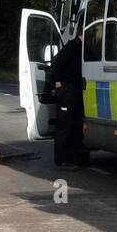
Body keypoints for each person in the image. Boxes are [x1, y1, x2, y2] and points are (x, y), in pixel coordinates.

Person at [47, 27, 84, 169]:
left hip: (75, 89)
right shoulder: (71, 47)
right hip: (67, 90)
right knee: (64, 125)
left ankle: (71, 159)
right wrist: (58, 84)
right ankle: (61, 160)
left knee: (75, 125)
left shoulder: (81, 47)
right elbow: (56, 65)